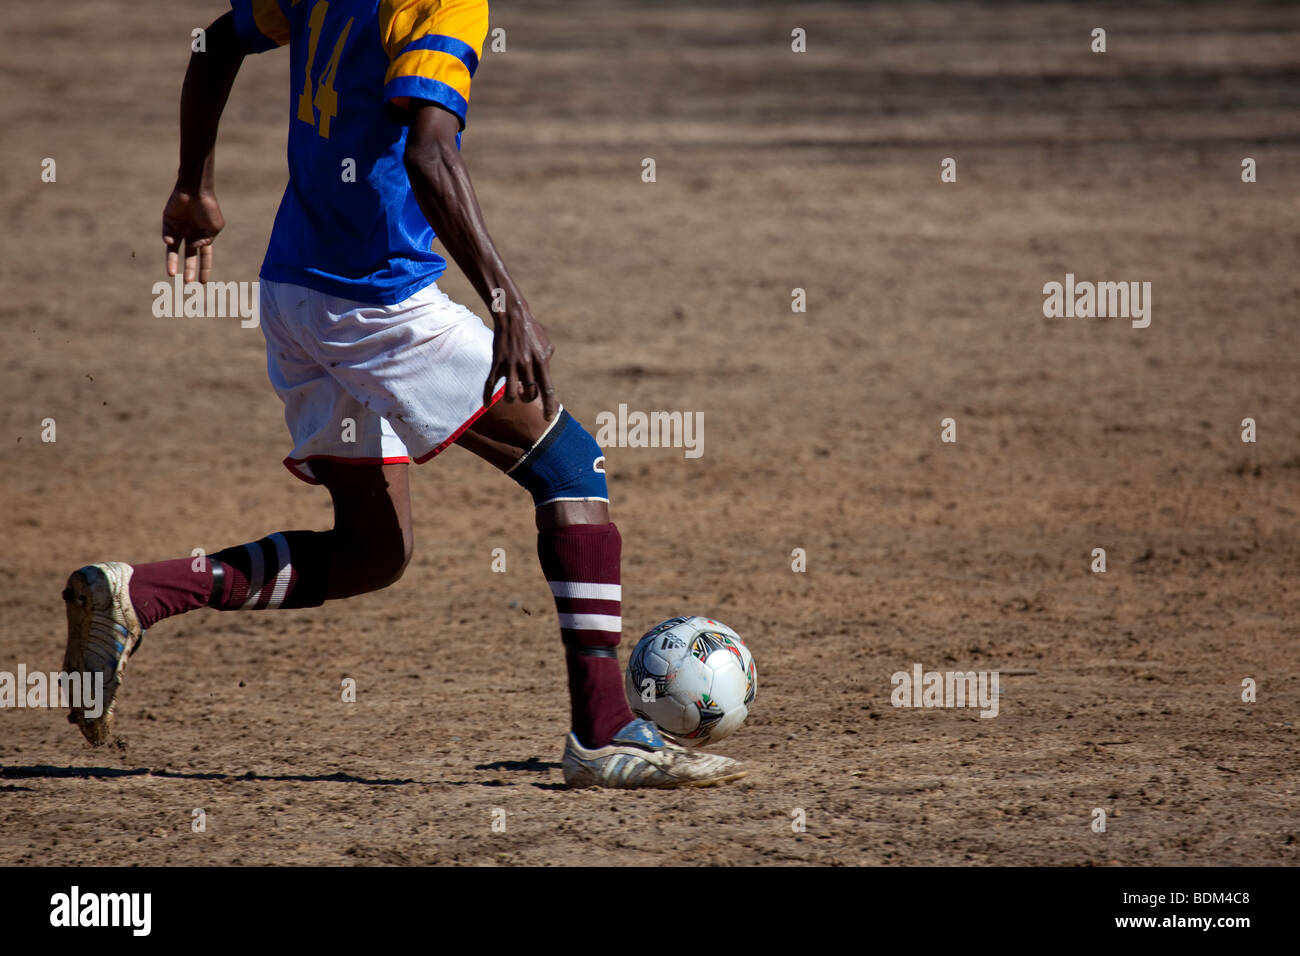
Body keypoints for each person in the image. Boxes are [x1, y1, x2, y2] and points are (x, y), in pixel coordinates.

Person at [61, 0, 746, 789]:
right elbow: (429, 149)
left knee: (371, 550)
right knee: (571, 467)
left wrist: (193, 186)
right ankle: (602, 732)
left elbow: (216, 41)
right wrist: (505, 302)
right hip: (377, 301)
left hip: (293, 294)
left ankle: (135, 594)